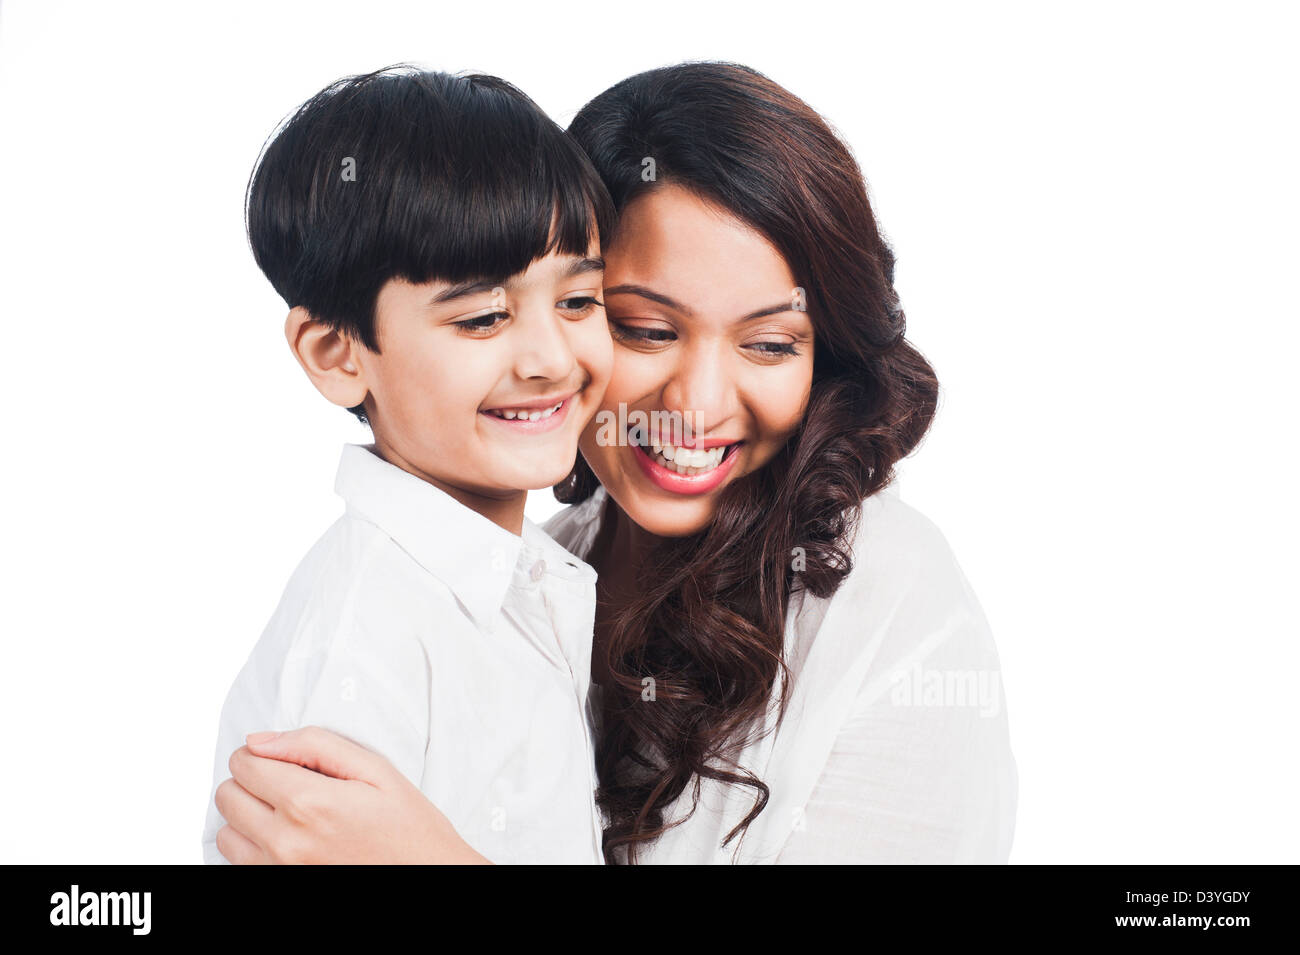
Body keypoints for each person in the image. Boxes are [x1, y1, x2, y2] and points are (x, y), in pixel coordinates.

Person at [215, 61, 1018, 864]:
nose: (697, 405)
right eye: (643, 328)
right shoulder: (515, 576)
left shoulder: (888, 600)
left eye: (770, 343)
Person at [201, 66, 618, 864]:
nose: (550, 357)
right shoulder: (373, 627)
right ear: (335, 353)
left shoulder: (521, 576)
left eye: (577, 301)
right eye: (484, 316)